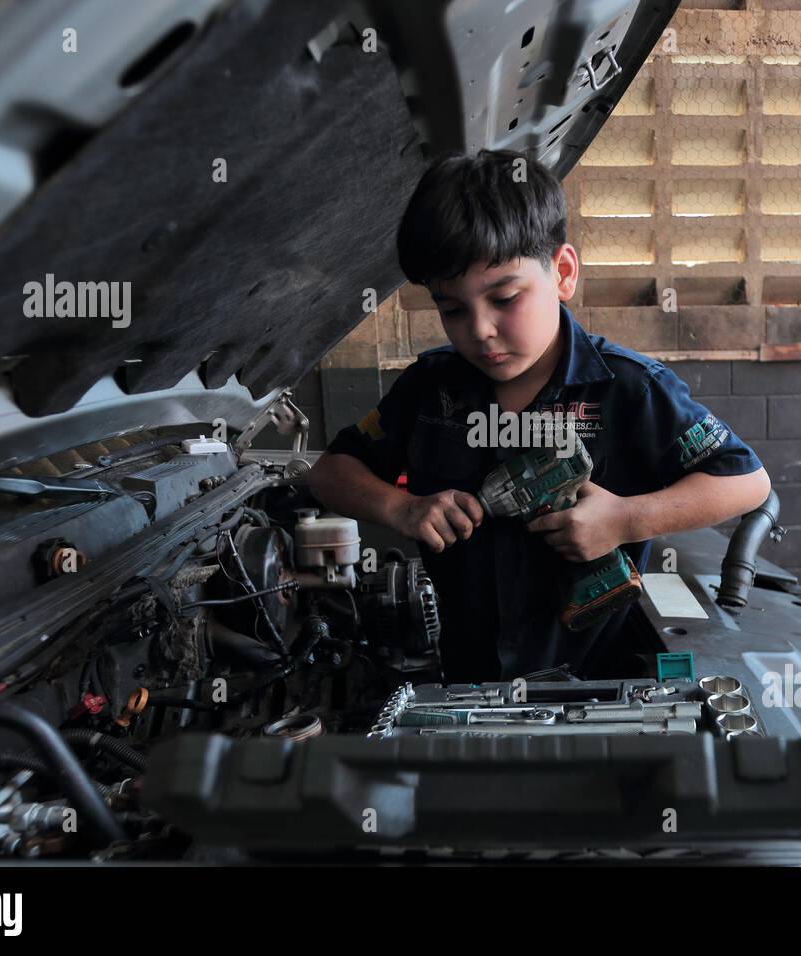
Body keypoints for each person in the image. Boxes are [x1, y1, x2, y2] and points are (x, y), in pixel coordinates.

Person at [307, 149, 771, 682]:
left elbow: (746, 482)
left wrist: (625, 519)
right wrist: (401, 508)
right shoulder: (429, 388)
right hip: (464, 682)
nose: (479, 329)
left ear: (563, 272)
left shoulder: (629, 388)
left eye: (504, 298)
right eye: (452, 308)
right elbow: (330, 472)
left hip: (599, 687)